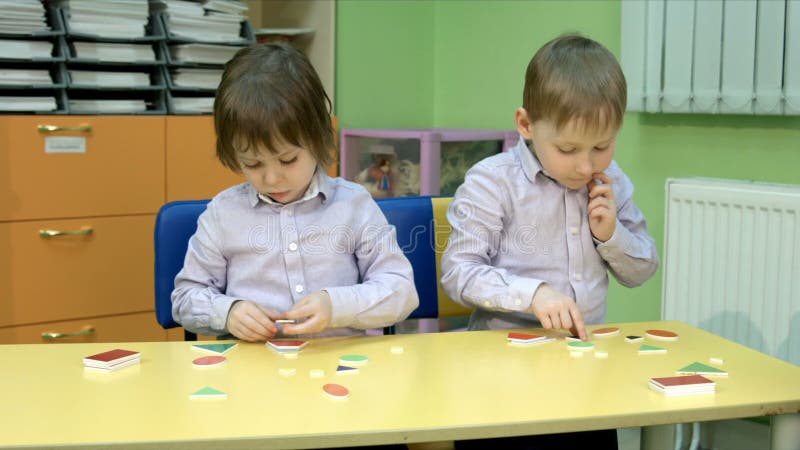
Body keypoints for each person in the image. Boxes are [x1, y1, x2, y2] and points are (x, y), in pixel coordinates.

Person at [441, 33, 659, 449]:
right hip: (500, 381)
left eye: (602, 146)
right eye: (567, 148)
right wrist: (534, 294)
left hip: (585, 372)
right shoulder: (492, 182)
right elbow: (458, 273)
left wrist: (611, 235)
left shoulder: (613, 184)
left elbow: (643, 270)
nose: (585, 164)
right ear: (526, 125)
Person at [171, 42, 419, 343]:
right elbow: (184, 298)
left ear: (317, 138)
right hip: (254, 374)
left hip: (339, 368)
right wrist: (227, 311)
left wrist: (335, 306)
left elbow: (402, 291)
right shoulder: (223, 214)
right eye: (252, 163)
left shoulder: (354, 206)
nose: (272, 178)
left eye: (288, 160)